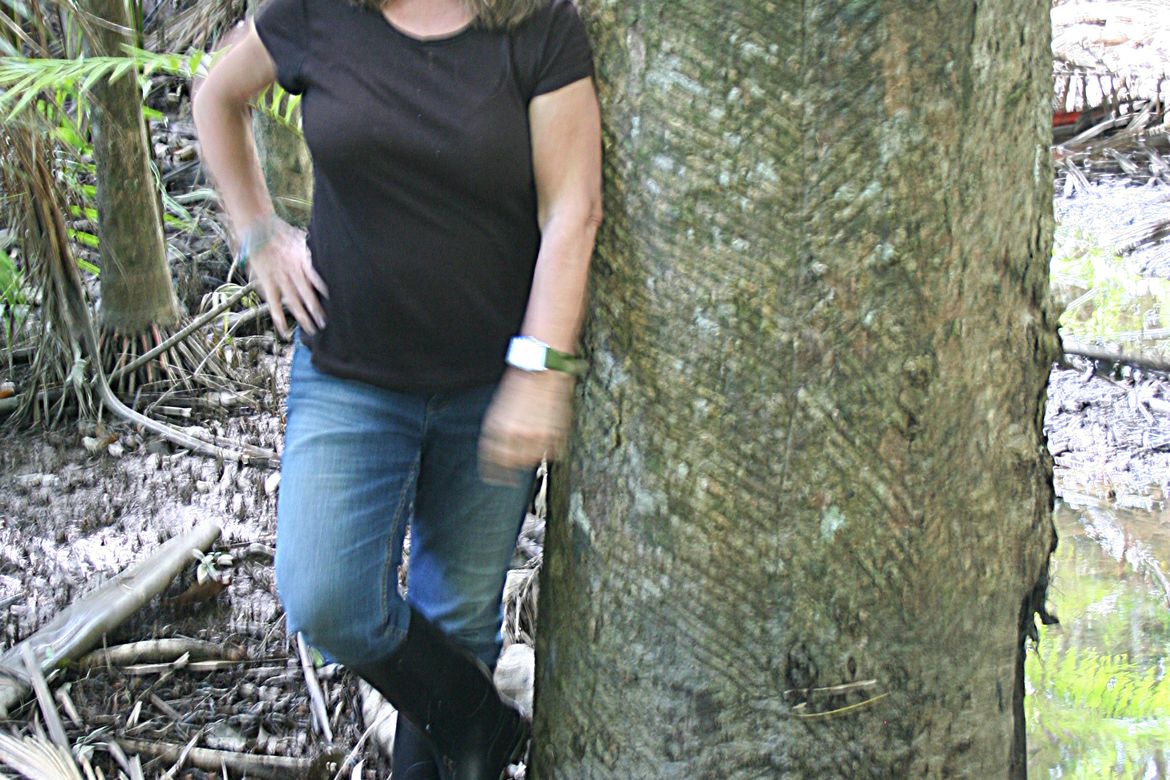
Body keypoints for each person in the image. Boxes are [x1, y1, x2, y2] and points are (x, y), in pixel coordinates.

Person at [193, 0, 601, 776]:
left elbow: (572, 207)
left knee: (458, 623)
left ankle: (469, 740)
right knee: (326, 597)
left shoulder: (536, 26)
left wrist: (540, 367)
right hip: (351, 375)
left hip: (490, 385)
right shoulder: (318, 13)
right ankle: (480, 723)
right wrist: (257, 236)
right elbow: (217, 94)